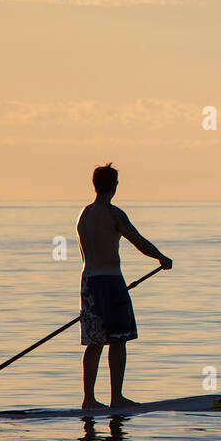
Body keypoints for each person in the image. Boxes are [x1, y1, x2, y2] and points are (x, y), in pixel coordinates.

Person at [76, 163, 172, 408]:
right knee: (118, 339)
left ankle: (89, 399)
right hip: (110, 282)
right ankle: (116, 397)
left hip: (88, 282)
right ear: (114, 186)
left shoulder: (84, 215)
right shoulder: (113, 214)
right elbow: (138, 241)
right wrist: (161, 258)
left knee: (95, 341)